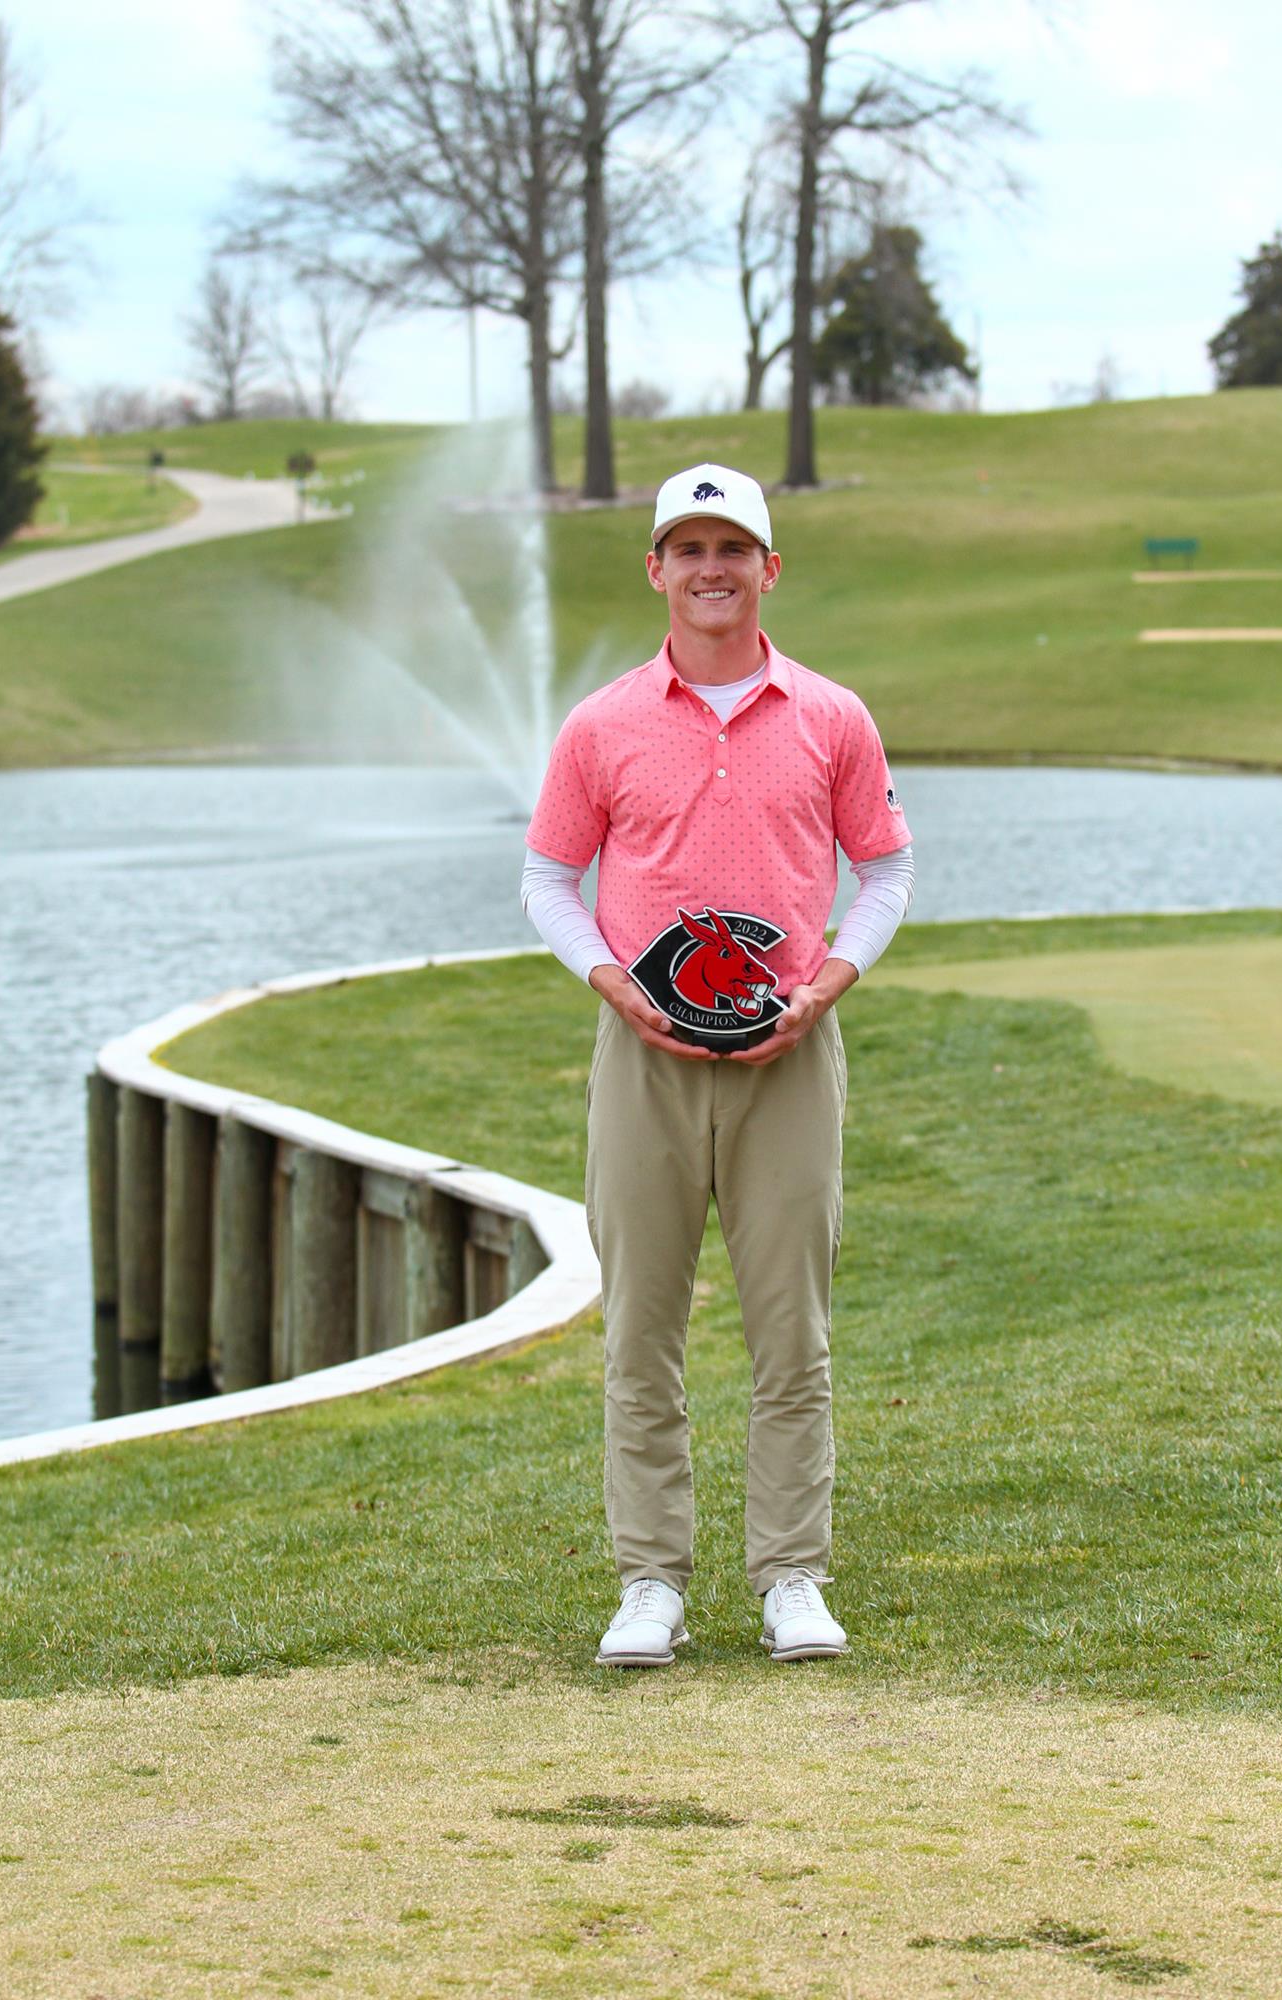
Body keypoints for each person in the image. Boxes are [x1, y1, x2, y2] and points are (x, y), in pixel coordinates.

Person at [521, 463, 914, 1667]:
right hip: (642, 1056)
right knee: (639, 1328)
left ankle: (791, 1574)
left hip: (790, 1053)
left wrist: (828, 982)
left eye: (731, 548)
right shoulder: (600, 724)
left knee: (789, 1330)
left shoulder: (832, 716)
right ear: (655, 568)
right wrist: (613, 985)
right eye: (686, 548)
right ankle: (651, 1581)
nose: (710, 569)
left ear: (767, 568)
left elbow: (884, 870)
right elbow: (548, 877)